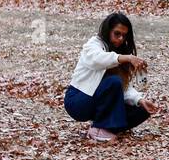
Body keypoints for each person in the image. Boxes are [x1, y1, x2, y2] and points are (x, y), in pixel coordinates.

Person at [64, 13, 159, 142]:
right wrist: (126, 58)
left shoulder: (119, 51)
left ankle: (109, 128)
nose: (120, 39)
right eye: (117, 33)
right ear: (108, 31)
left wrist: (139, 99)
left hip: (98, 100)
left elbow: (122, 87)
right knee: (114, 81)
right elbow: (97, 59)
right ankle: (98, 128)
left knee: (141, 110)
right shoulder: (93, 45)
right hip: (78, 100)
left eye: (124, 36)